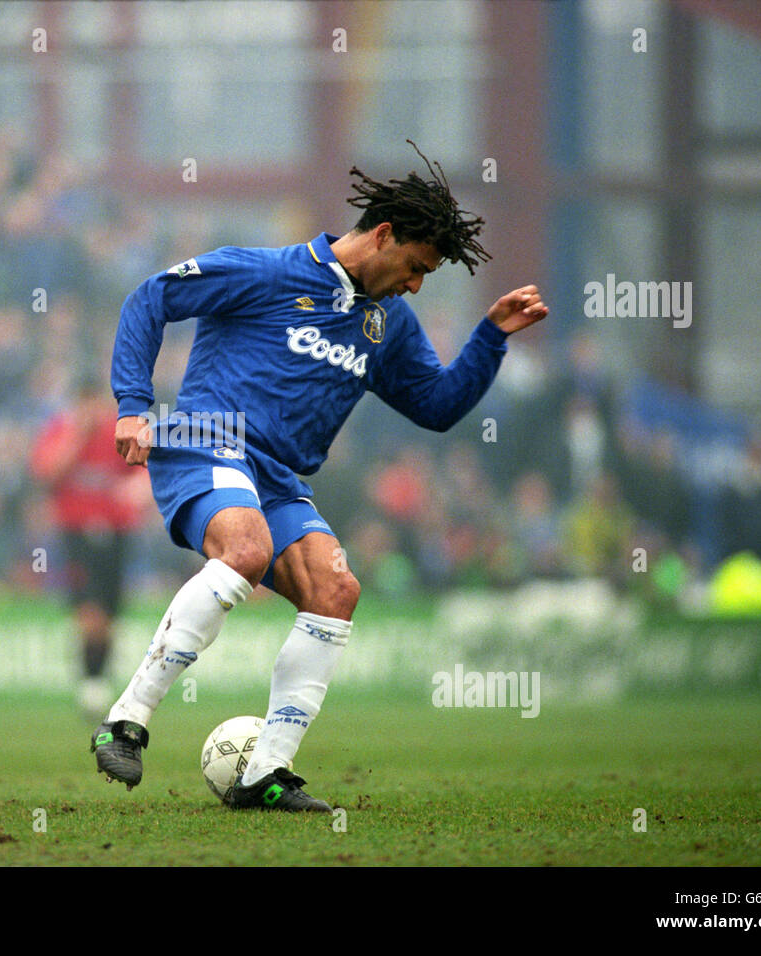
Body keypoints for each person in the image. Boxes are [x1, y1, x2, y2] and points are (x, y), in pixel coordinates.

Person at [93, 141, 548, 810]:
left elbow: (438, 406)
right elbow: (150, 298)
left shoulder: (387, 322)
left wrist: (490, 338)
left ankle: (264, 776)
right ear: (385, 235)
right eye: (416, 267)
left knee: (337, 590)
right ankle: (126, 720)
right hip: (206, 441)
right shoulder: (267, 272)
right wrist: (134, 407)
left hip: (279, 479)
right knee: (246, 551)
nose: (416, 285)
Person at [29, 375, 151, 720]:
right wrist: (76, 437)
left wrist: (138, 490)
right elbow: (47, 473)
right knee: (89, 614)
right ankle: (91, 685)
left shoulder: (119, 432)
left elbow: (144, 470)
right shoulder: (60, 431)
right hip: (76, 533)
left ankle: (97, 683)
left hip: (117, 531)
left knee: (111, 615)